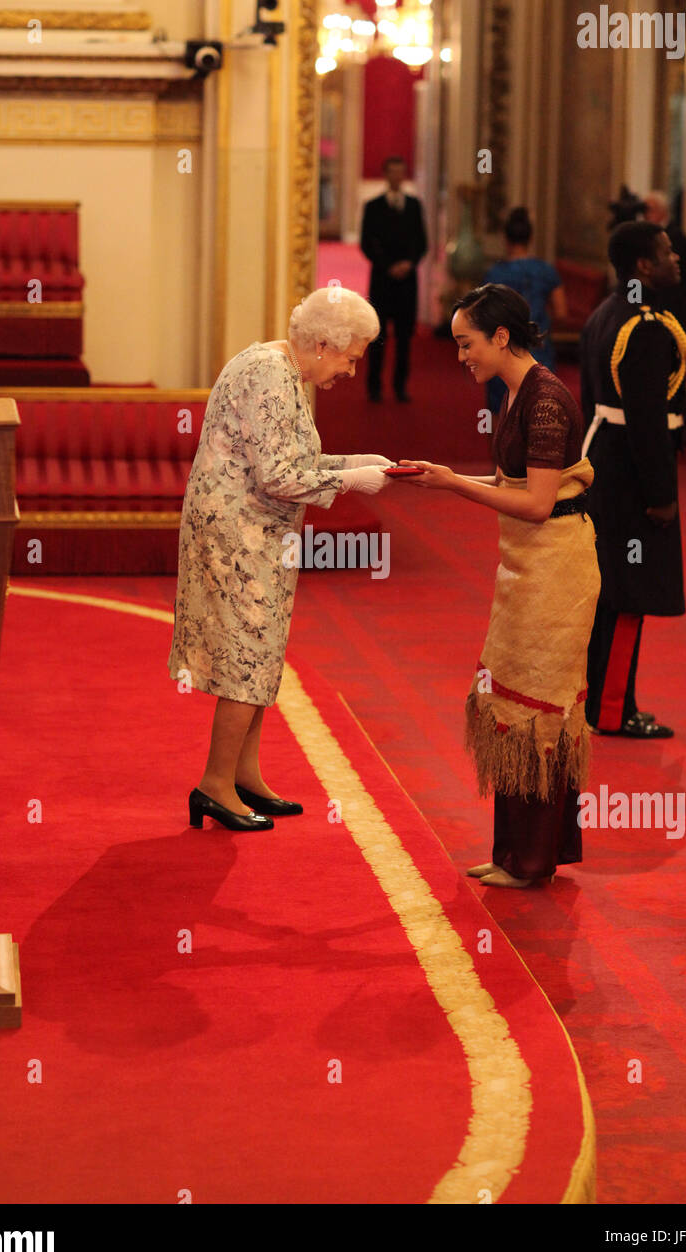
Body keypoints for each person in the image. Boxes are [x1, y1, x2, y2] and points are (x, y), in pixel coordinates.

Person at [168, 287, 392, 831]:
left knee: (263, 650)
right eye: (351, 356)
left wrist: (355, 463)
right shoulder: (270, 372)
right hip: (237, 535)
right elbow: (280, 477)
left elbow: (296, 459)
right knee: (247, 654)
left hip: (258, 533)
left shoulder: (284, 367)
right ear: (322, 343)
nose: (351, 371)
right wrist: (352, 479)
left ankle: (244, 774)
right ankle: (214, 785)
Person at [399, 284, 600, 888]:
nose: (461, 356)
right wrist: (447, 475)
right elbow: (516, 482)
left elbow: (536, 504)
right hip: (528, 565)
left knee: (537, 704)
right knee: (514, 698)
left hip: (555, 569)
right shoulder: (517, 389)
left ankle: (532, 859)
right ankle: (519, 853)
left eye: (467, 344)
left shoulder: (544, 399)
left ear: (502, 336)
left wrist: (451, 486)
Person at [580, 220, 686, 739]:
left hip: (606, 457)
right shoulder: (646, 325)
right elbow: (647, 419)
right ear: (644, 265)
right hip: (632, 470)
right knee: (630, 592)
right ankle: (613, 710)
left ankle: (604, 700)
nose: (677, 260)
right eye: (668, 252)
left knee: (611, 589)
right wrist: (661, 495)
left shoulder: (608, 312)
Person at [482, 206, 567, 415]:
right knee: (538, 417)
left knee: (500, 417)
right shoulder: (546, 271)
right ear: (530, 238)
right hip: (538, 353)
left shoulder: (494, 273)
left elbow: (483, 318)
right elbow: (561, 311)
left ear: (506, 239)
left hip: (502, 355)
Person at [360, 156, 428, 403]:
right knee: (377, 336)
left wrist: (408, 264)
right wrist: (388, 266)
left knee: (404, 337)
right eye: (392, 172)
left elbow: (422, 241)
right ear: (386, 174)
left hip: (407, 282)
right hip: (382, 279)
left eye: (401, 171)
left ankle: (400, 387)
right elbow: (366, 243)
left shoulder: (414, 206)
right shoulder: (373, 206)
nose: (397, 176)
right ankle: (374, 387)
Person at [643, 189, 686, 332]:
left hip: (674, 310)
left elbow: (669, 279)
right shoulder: (655, 236)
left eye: (650, 210)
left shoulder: (675, 237)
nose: (645, 216)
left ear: (663, 212)